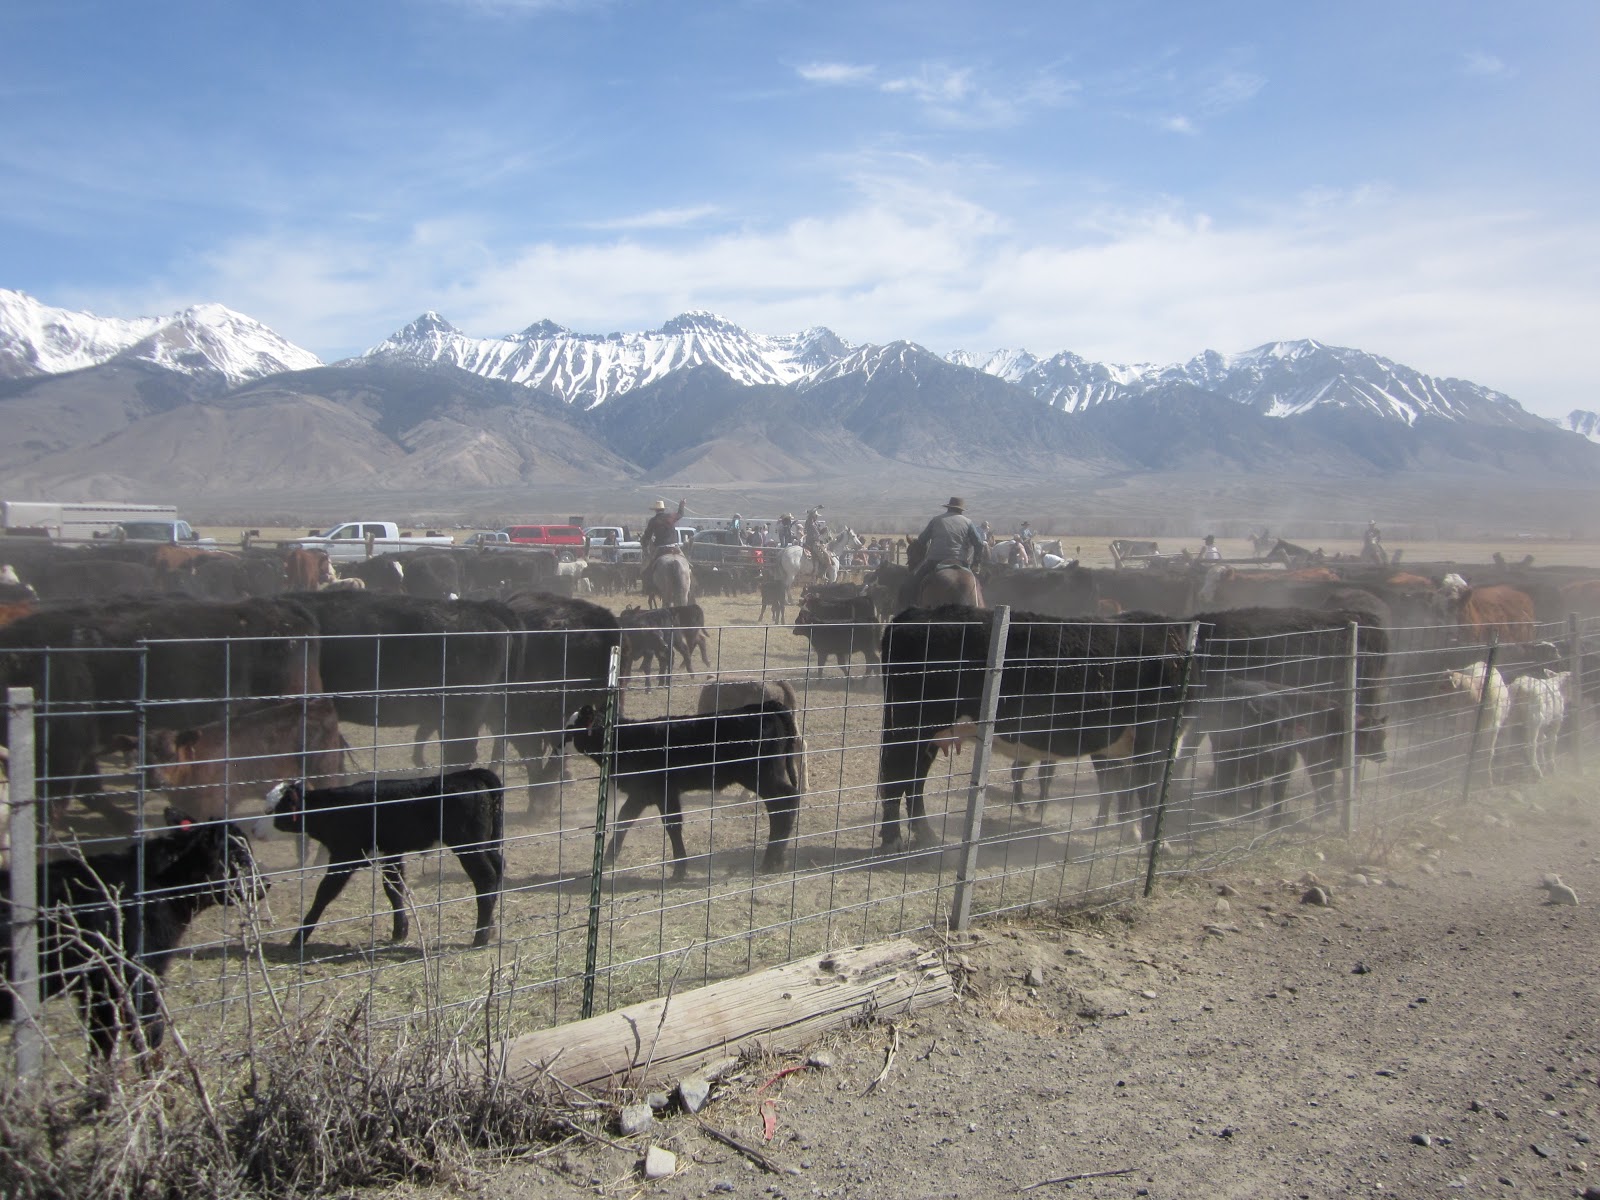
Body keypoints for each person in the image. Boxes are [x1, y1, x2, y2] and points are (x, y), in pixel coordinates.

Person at [903, 497, 986, 604]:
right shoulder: (968, 522)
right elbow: (979, 543)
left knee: (913, 581)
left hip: (935, 560)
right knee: (977, 585)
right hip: (961, 561)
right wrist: (976, 563)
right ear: (961, 510)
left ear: (948, 508)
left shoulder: (936, 520)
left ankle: (908, 606)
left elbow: (922, 540)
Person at [639, 497, 687, 570]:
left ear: (655, 510)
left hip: (660, 547)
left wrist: (644, 541)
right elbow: (680, 514)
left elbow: (647, 536)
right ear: (663, 509)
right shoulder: (671, 517)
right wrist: (681, 505)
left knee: (650, 567)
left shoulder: (653, 521)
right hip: (674, 546)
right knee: (685, 562)